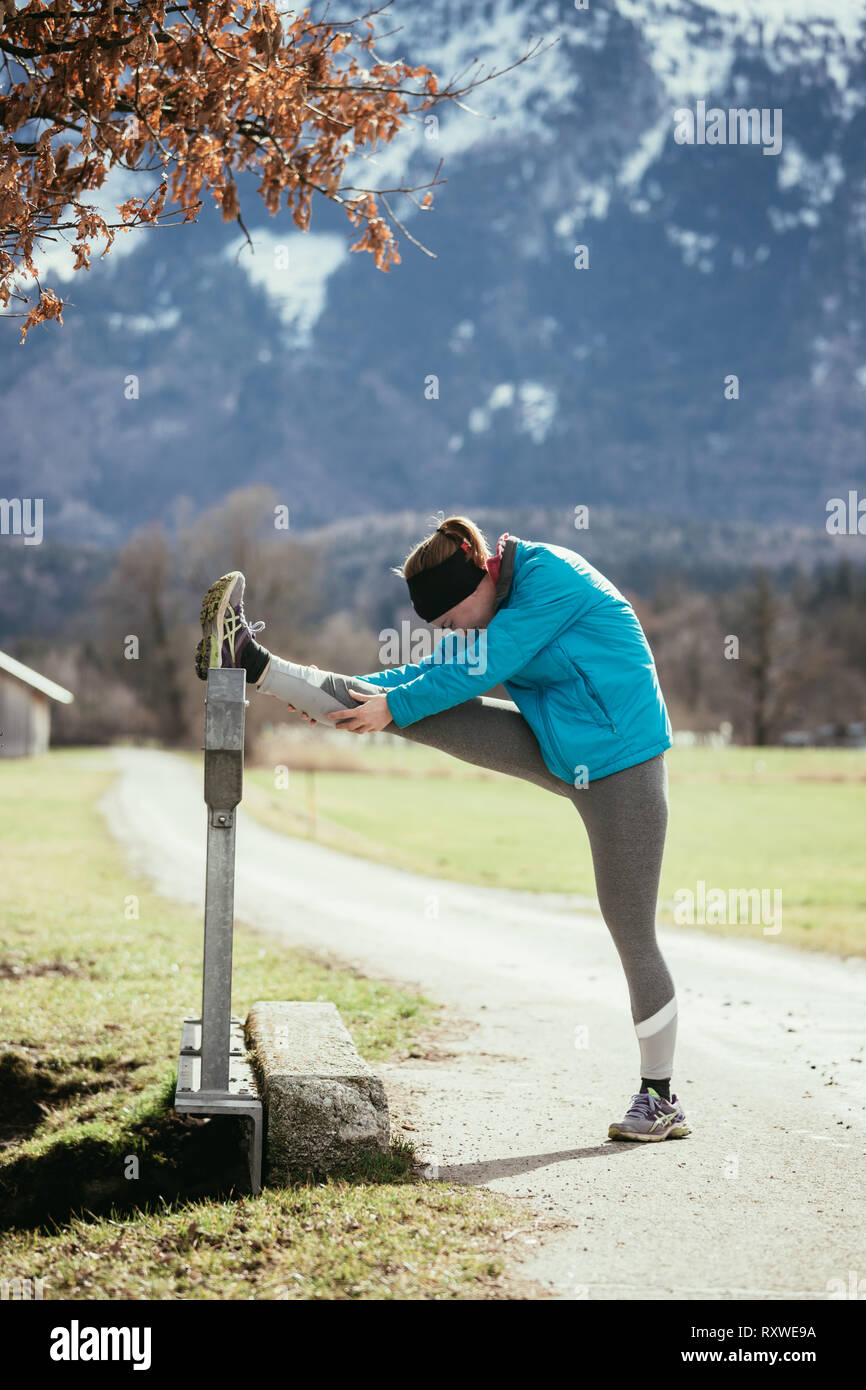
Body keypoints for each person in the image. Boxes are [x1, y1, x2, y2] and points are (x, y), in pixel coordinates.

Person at [194, 517, 690, 1142]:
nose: (453, 633)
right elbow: (424, 678)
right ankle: (250, 659)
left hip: (624, 767)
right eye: (443, 627)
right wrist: (356, 698)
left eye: (454, 621)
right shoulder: (486, 600)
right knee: (398, 706)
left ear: (480, 578)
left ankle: (660, 1096)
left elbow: (478, 669)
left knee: (631, 931)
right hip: (556, 744)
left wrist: (389, 704)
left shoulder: (551, 580)